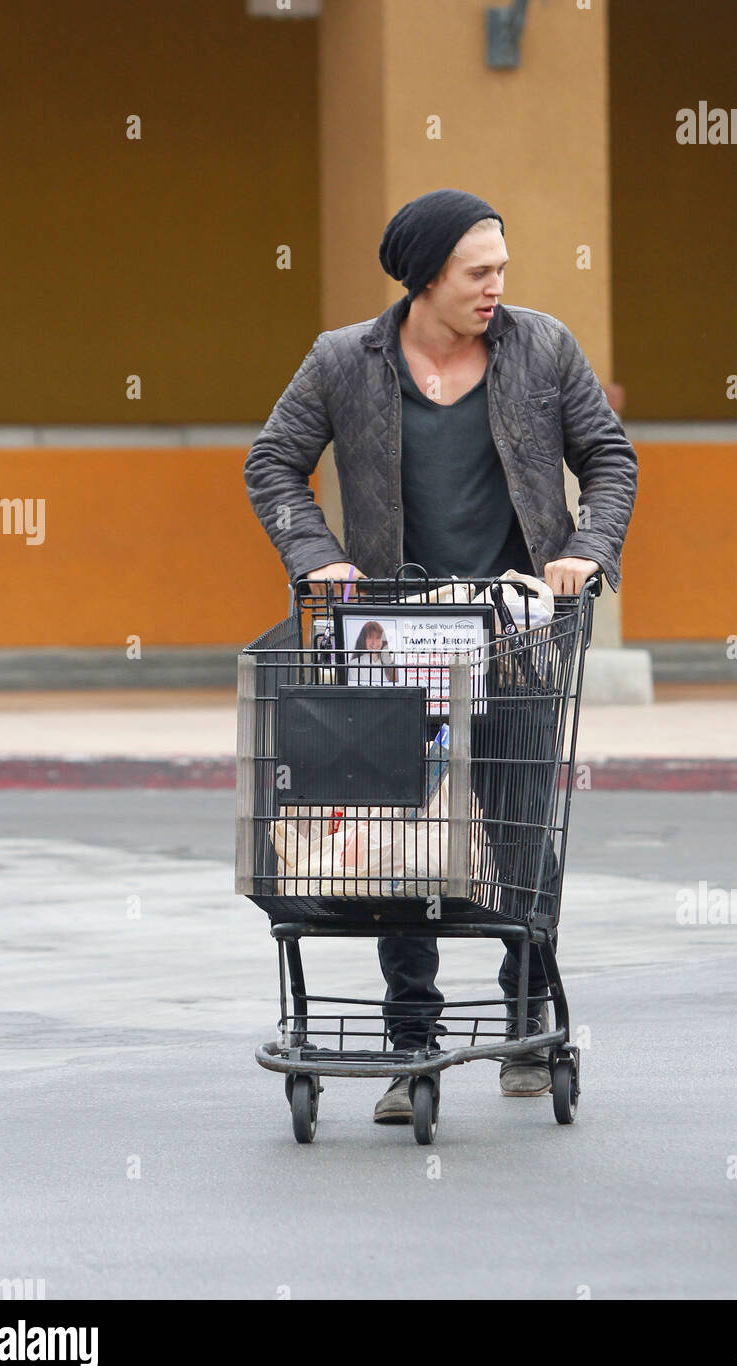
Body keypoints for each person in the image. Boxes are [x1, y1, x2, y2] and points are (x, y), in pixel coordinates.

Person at [244, 188, 638, 1121]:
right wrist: (321, 559)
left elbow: (609, 457)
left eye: (501, 267)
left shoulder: (542, 347)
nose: (496, 285)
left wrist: (586, 550)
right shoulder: (345, 360)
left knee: (517, 837)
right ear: (425, 278)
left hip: (516, 632)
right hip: (392, 636)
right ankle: (410, 1040)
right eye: (478, 272)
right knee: (407, 849)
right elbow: (273, 462)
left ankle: (525, 1020)